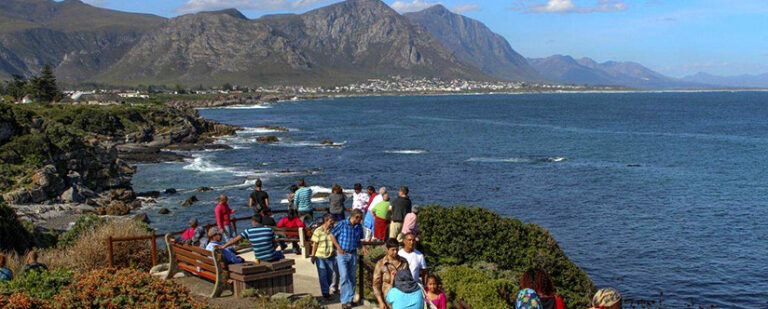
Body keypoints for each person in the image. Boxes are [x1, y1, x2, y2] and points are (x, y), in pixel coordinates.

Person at [329, 209, 364, 309]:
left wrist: (362, 247)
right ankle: (344, 300)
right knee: (344, 276)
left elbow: (359, 240)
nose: (361, 220)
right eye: (360, 218)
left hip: (353, 253)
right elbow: (332, 234)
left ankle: (350, 299)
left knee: (352, 277)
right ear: (356, 217)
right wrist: (338, 247)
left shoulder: (358, 227)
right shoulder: (343, 224)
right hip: (342, 254)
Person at [373, 238, 410, 309]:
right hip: (387, 300)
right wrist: (380, 302)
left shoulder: (404, 262)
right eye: (393, 250)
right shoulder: (381, 263)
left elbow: (409, 280)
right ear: (387, 249)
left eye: (397, 249)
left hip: (402, 299)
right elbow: (376, 285)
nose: (395, 252)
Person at [310, 214, 340, 299]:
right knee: (322, 275)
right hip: (320, 257)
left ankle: (328, 288)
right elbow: (315, 244)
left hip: (330, 256)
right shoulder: (318, 231)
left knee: (330, 276)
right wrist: (313, 255)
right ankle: (325, 293)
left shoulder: (333, 231)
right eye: (330, 221)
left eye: (332, 221)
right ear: (325, 221)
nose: (332, 223)